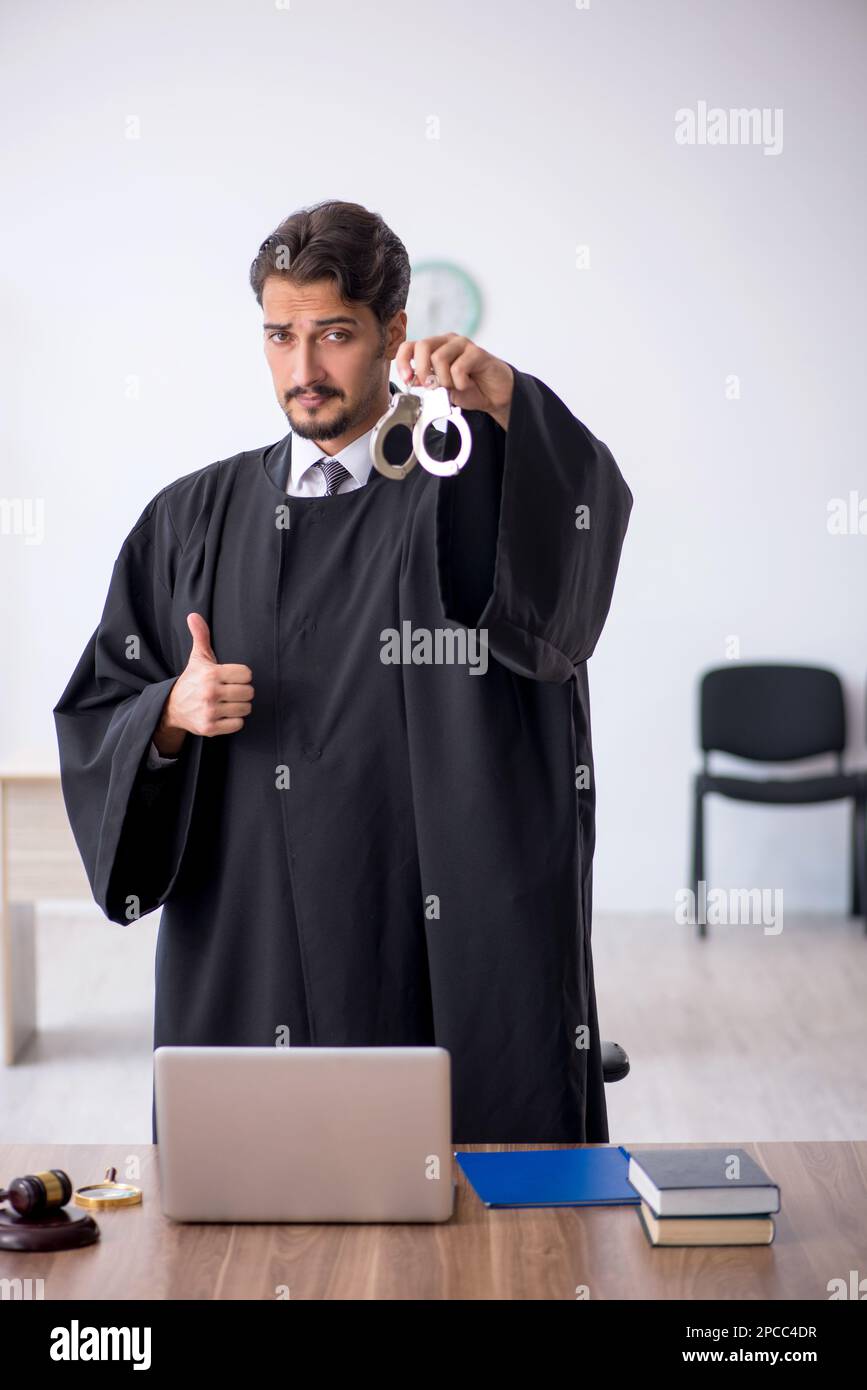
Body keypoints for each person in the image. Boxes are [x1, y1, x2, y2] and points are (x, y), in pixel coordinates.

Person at [53, 199, 633, 1144]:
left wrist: (510, 408)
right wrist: (167, 714)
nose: (302, 369)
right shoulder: (190, 521)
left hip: (433, 923)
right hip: (253, 930)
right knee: (247, 1221)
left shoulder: (470, 486)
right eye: (280, 337)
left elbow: (560, 617)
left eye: (333, 335)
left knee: (473, 1243)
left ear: (392, 333)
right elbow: (102, 703)